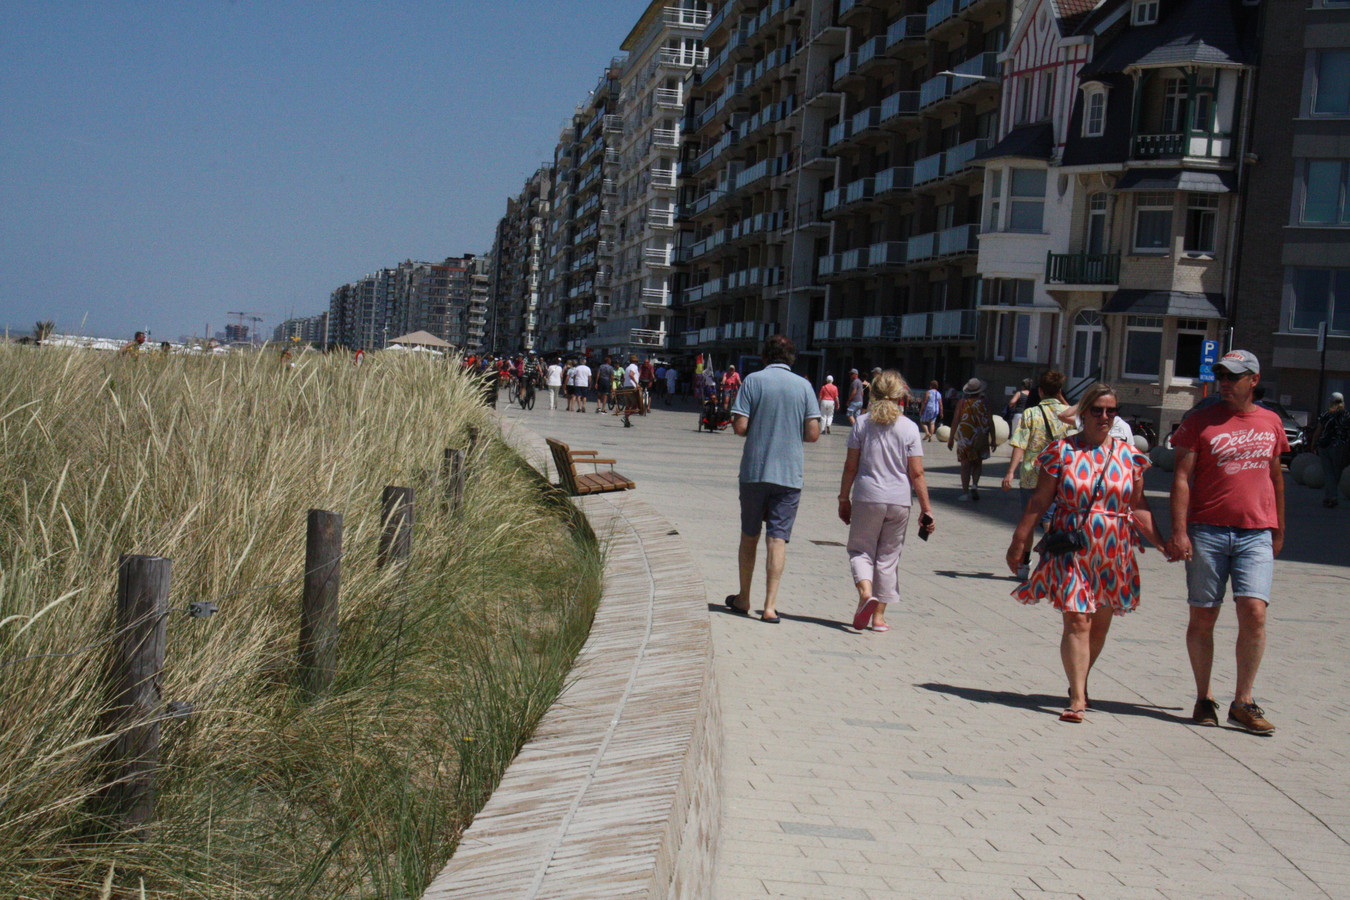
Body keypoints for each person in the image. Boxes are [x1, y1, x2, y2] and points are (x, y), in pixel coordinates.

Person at [1007, 384, 1167, 723]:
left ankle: (1079, 681)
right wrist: (1019, 541)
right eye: (1097, 410)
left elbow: (1138, 506)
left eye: (1111, 410)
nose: (1105, 417)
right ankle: (1077, 696)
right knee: (1078, 618)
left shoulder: (1130, 457)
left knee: (1099, 626)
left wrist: (1165, 543)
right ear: (1084, 413)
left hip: (1113, 550)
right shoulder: (1062, 451)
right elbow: (1039, 501)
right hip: (1072, 545)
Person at [1169, 350, 1288, 735]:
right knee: (1204, 614)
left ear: (1253, 380)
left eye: (1233, 376)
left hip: (1256, 531)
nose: (1225, 382)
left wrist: (1279, 528)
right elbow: (1182, 478)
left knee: (1254, 611)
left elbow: (1276, 478)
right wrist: (1180, 530)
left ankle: (1244, 701)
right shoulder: (1199, 422)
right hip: (1208, 531)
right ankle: (1204, 697)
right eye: (1221, 375)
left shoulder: (1270, 422)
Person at [726, 335, 822, 623]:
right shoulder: (804, 386)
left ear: (764, 356)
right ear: (792, 357)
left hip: (755, 472)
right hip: (789, 475)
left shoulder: (753, 381)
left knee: (749, 536)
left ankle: (744, 598)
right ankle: (769, 607)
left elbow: (740, 427)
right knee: (777, 540)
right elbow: (814, 434)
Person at [838, 370, 933, 633]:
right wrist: (926, 509)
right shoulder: (910, 428)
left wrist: (843, 497)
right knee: (888, 558)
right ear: (900, 395)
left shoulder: (862, 423)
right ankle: (878, 618)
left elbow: (850, 466)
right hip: (899, 500)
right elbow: (917, 473)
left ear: (873, 393)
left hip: (868, 496)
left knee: (860, 551)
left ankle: (865, 592)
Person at [1002, 370, 1074, 580]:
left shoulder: (1031, 414)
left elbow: (1020, 445)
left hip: (1032, 474)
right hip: (1060, 475)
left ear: (1040, 391)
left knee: (1029, 520)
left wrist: (1010, 472)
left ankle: (1024, 565)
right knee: (1051, 520)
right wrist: (1062, 399)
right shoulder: (1068, 414)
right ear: (1059, 390)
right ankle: (1055, 563)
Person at [947, 378, 994, 500]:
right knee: (978, 463)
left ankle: (965, 492)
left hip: (965, 436)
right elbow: (990, 420)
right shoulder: (985, 402)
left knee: (965, 465)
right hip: (980, 436)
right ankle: (974, 485)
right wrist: (993, 438)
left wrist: (951, 438)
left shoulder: (962, 402)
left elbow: (955, 420)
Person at [1310, 391, 1348, 508]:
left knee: (1328, 472)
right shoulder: (1346, 415)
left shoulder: (1325, 414)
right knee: (1336, 472)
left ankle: (1331, 496)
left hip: (1324, 445)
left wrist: (1313, 444)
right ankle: (1331, 496)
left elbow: (1319, 430)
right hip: (1339, 446)